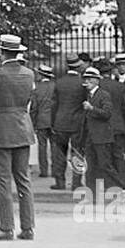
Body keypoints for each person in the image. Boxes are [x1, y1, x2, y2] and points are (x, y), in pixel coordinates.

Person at [0, 34, 38, 241]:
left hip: (1, 131)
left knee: (3, 181)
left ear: (1, 52)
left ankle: (6, 228)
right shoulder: (29, 74)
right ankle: (28, 228)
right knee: (24, 180)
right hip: (22, 129)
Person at [81, 66, 125, 193]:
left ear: (96, 81)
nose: (86, 83)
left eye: (89, 80)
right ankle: (92, 191)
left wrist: (92, 109)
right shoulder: (89, 95)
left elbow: (107, 113)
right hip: (91, 135)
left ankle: (121, 185)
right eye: (85, 80)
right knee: (90, 165)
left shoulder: (103, 94)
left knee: (105, 164)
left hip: (102, 135)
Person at [47, 53, 87, 189]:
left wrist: (52, 122)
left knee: (59, 153)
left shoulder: (59, 82)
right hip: (77, 123)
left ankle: (60, 182)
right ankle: (76, 182)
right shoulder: (83, 82)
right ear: (78, 66)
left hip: (60, 122)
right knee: (77, 153)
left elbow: (54, 105)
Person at [102, 55, 125, 187]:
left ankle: (108, 182)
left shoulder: (97, 87)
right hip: (118, 125)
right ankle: (121, 181)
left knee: (105, 156)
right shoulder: (119, 86)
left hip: (102, 126)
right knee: (118, 155)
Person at [31, 63, 56, 179]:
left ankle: (44, 171)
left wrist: (33, 122)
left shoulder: (37, 88)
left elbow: (34, 108)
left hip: (41, 120)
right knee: (55, 146)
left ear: (41, 74)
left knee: (42, 146)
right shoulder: (55, 86)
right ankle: (56, 169)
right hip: (54, 120)